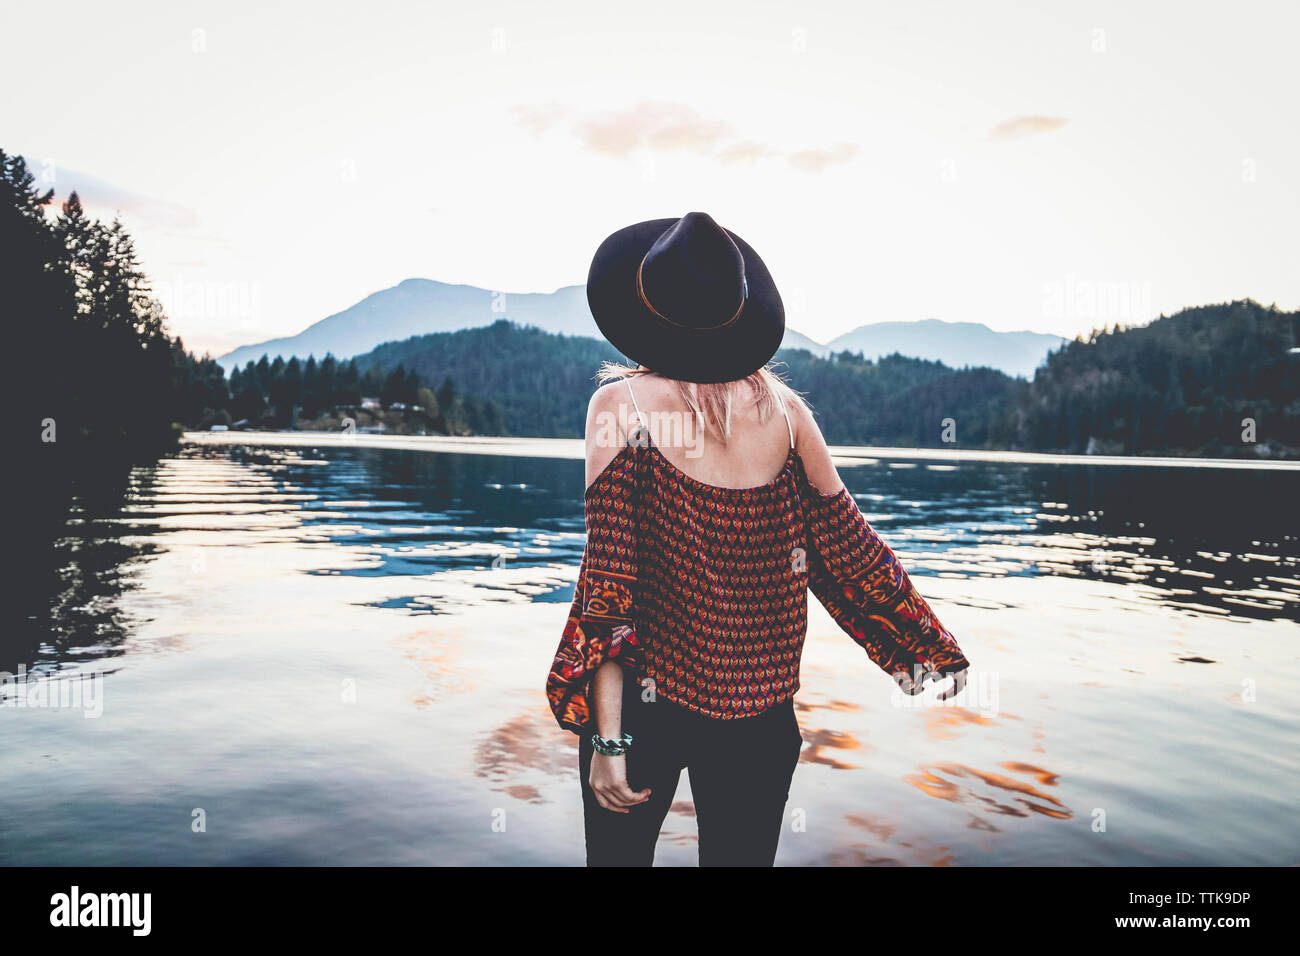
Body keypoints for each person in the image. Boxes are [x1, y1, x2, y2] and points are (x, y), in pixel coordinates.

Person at [546, 212, 971, 866]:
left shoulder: (621, 408)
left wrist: (607, 745)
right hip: (758, 724)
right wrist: (924, 651)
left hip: (643, 713)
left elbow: (609, 594)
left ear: (645, 311)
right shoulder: (789, 415)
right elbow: (852, 557)